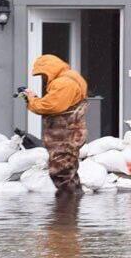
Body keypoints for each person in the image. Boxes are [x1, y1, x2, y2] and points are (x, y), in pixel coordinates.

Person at [24, 54, 89, 196]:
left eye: (43, 74)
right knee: (69, 171)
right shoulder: (71, 78)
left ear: (50, 69)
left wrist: (31, 100)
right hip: (71, 132)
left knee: (61, 172)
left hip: (63, 134)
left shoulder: (63, 83)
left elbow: (51, 106)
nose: (43, 78)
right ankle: (71, 208)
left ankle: (64, 212)